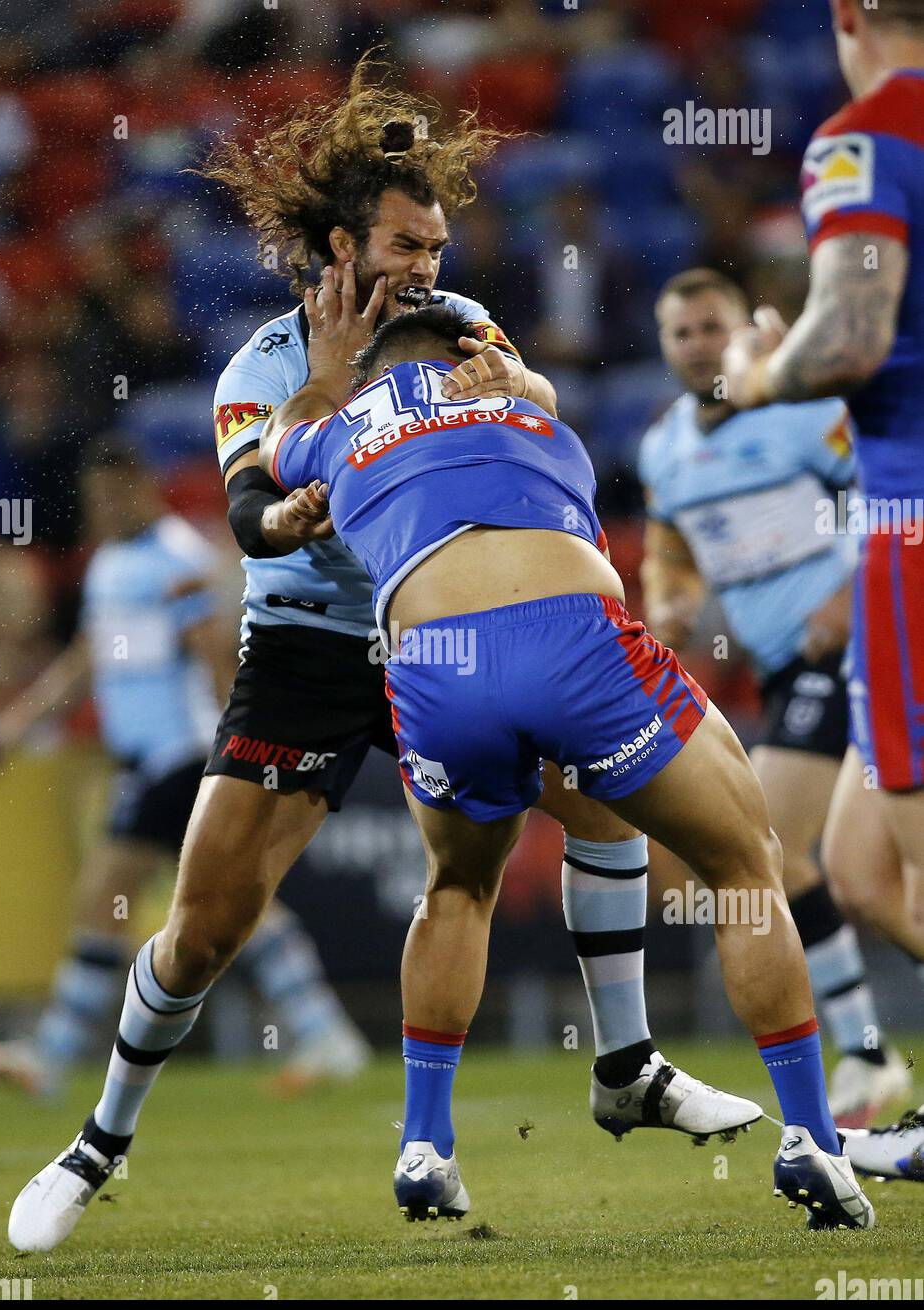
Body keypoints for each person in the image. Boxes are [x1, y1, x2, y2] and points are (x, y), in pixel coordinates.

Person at [6, 55, 757, 1255]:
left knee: (603, 805)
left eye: (439, 243)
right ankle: (97, 1142)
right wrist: (298, 487)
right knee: (205, 924)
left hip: (447, 633)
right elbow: (253, 514)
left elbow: (533, 405)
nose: (431, 267)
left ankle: (627, 1065)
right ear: (339, 247)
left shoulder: (462, 325)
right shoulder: (260, 368)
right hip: (308, 644)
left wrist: (534, 384)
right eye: (409, 244)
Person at [252, 298, 874, 1229]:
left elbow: (274, 442)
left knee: (457, 888)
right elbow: (525, 402)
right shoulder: (536, 411)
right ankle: (813, 1144)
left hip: (429, 664)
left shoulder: (341, 431)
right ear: (483, 354)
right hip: (572, 637)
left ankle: (425, 1146)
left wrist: (327, 368)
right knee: (747, 867)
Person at [0, 436, 368, 1100]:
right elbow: (88, 659)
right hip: (150, 761)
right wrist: (17, 724)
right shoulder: (109, 564)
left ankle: (53, 1058)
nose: (104, 507)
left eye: (113, 495)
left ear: (139, 488)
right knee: (227, 899)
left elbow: (216, 649)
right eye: (95, 499)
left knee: (109, 895)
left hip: (181, 754)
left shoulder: (178, 558)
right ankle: (324, 1032)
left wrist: (237, 745)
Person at [722, 0, 924, 1182]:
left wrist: (756, 375)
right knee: (860, 864)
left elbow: (849, 334)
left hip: (912, 525)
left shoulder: (863, 139)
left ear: (847, 12)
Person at [640, 267, 912, 1126]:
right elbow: (668, 544)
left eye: (712, 326)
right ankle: (866, 1054)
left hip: (854, 644)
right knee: (839, 874)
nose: (699, 345)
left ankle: (864, 1055)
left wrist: (845, 598)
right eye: (681, 332)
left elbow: (887, 495)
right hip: (785, 669)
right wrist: (669, 596)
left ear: (744, 329)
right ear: (664, 345)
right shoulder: (663, 448)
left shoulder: (799, 413)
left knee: (759, 836)